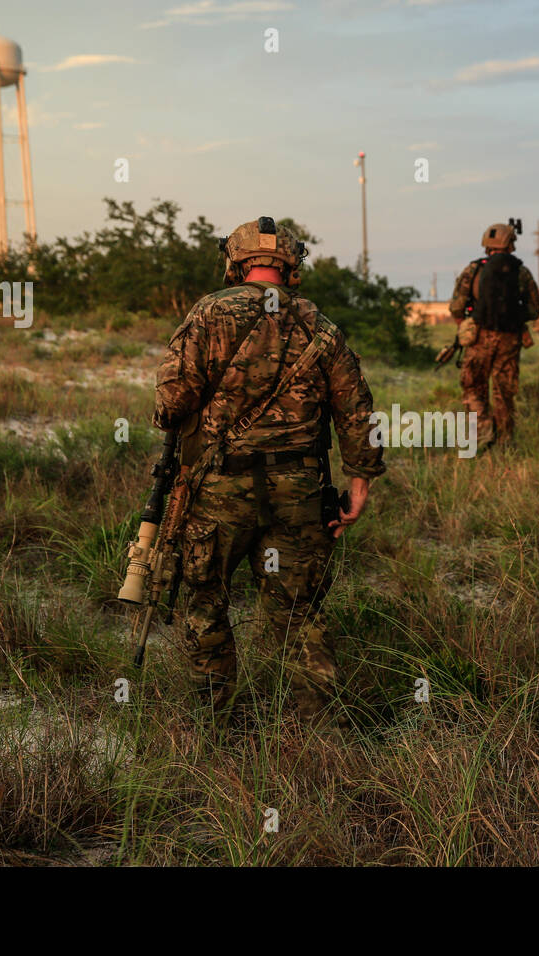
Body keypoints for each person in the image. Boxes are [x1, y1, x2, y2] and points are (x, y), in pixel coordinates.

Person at [153, 216, 385, 729]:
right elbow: (357, 410)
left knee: (206, 602)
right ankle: (319, 737)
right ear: (291, 264)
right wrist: (360, 484)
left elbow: (172, 402)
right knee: (299, 613)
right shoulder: (320, 325)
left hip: (219, 488)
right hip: (301, 491)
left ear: (236, 262)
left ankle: (216, 728)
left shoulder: (210, 312)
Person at [447, 222, 539, 448]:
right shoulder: (522, 272)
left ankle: (482, 435)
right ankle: (506, 442)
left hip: (479, 337)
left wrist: (467, 325)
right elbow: (534, 310)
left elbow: (456, 307)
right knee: (504, 391)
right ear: (510, 244)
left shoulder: (473, 270)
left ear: (486, 244)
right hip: (509, 340)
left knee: (473, 387)